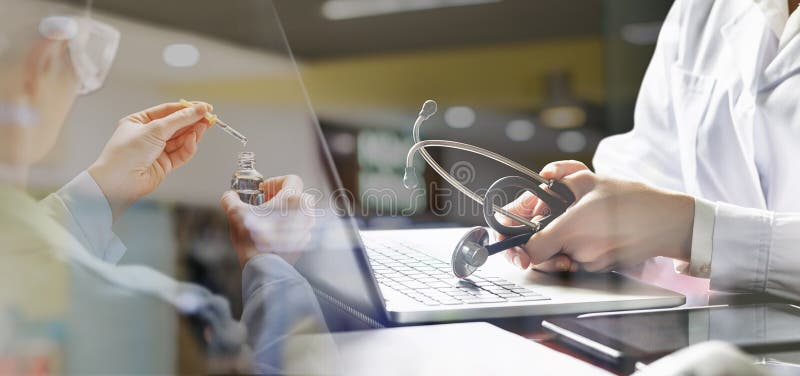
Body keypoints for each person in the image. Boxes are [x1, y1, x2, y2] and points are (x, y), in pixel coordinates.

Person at [0, 1, 334, 374]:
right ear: (41, 60)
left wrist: (105, 188)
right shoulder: (160, 311)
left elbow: (20, 249)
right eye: (81, 64)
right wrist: (273, 266)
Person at [501, 0, 800, 301]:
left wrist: (689, 230)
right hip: (703, 328)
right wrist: (588, 218)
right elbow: (653, 159)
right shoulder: (705, 6)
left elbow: (676, 223)